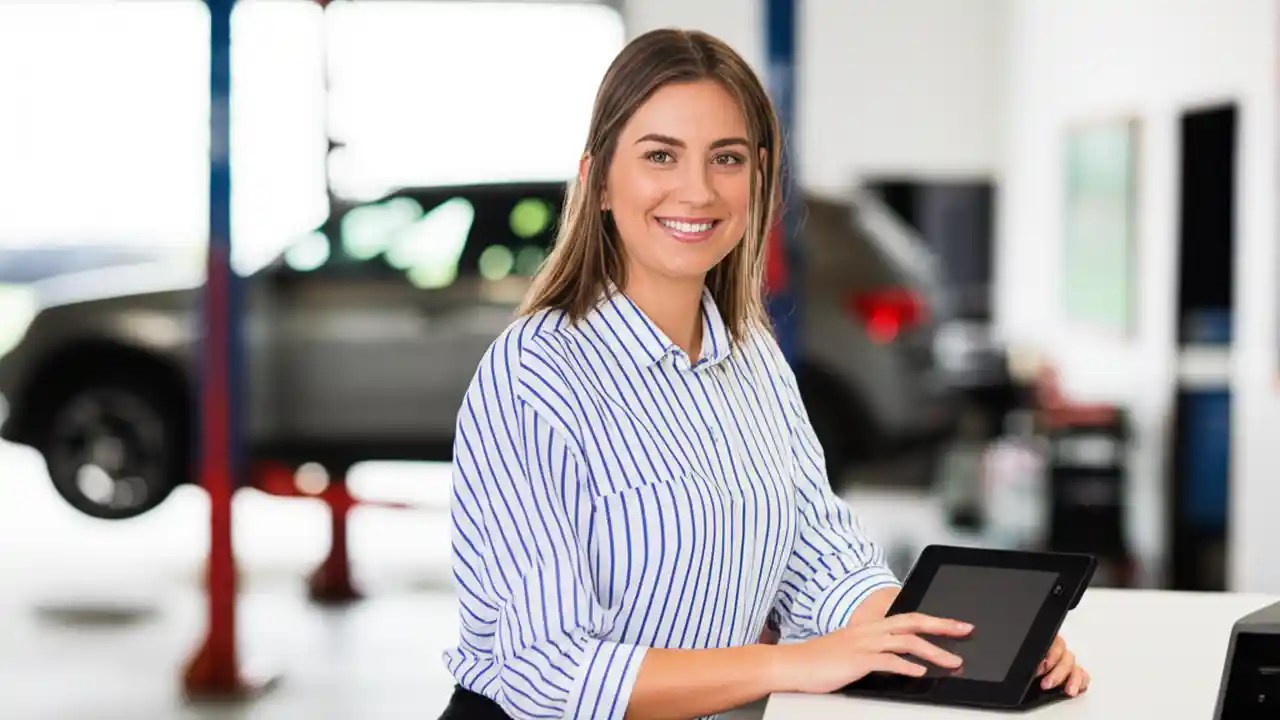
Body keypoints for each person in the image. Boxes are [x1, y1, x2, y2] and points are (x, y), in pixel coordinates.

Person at [440, 28, 1089, 720]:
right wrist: (790, 664)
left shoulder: (751, 358)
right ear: (599, 181)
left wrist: (973, 643)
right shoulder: (536, 374)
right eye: (661, 155)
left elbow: (826, 563)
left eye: (726, 158)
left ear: (757, 178)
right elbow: (548, 672)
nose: (697, 191)